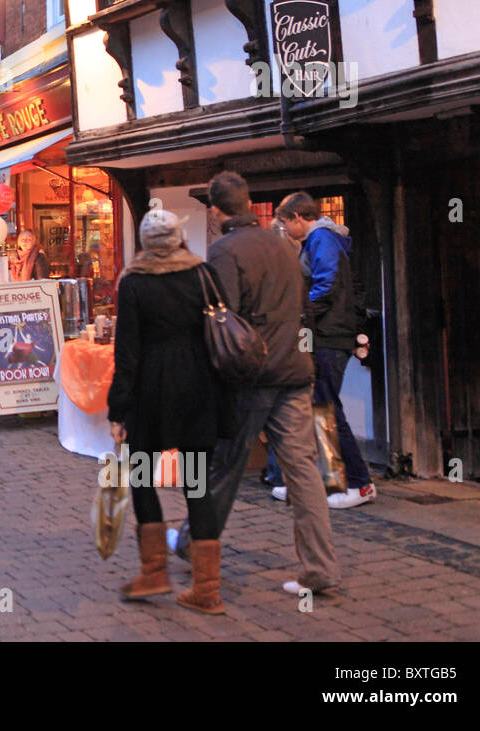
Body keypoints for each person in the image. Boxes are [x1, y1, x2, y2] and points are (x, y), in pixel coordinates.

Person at [174, 172, 340, 598]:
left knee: (225, 467)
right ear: (248, 203)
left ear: (216, 209)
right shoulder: (285, 245)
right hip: (295, 370)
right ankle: (318, 567)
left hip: (252, 377)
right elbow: (304, 306)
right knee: (303, 469)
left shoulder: (224, 252)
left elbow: (219, 322)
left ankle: (195, 545)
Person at [108, 210, 230, 614]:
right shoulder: (202, 274)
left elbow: (126, 354)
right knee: (196, 485)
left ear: (146, 242)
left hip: (151, 395)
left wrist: (117, 409)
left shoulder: (135, 282)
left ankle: (155, 571)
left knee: (142, 478)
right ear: (178, 238)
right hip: (197, 391)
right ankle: (207, 589)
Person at [272, 192, 376, 509]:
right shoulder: (325, 239)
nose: (285, 230)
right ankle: (335, 481)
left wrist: (300, 313)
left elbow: (326, 285)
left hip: (329, 335)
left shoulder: (321, 239)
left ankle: (359, 484)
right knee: (321, 407)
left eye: (284, 223)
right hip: (330, 334)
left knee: (326, 409)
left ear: (296, 218)